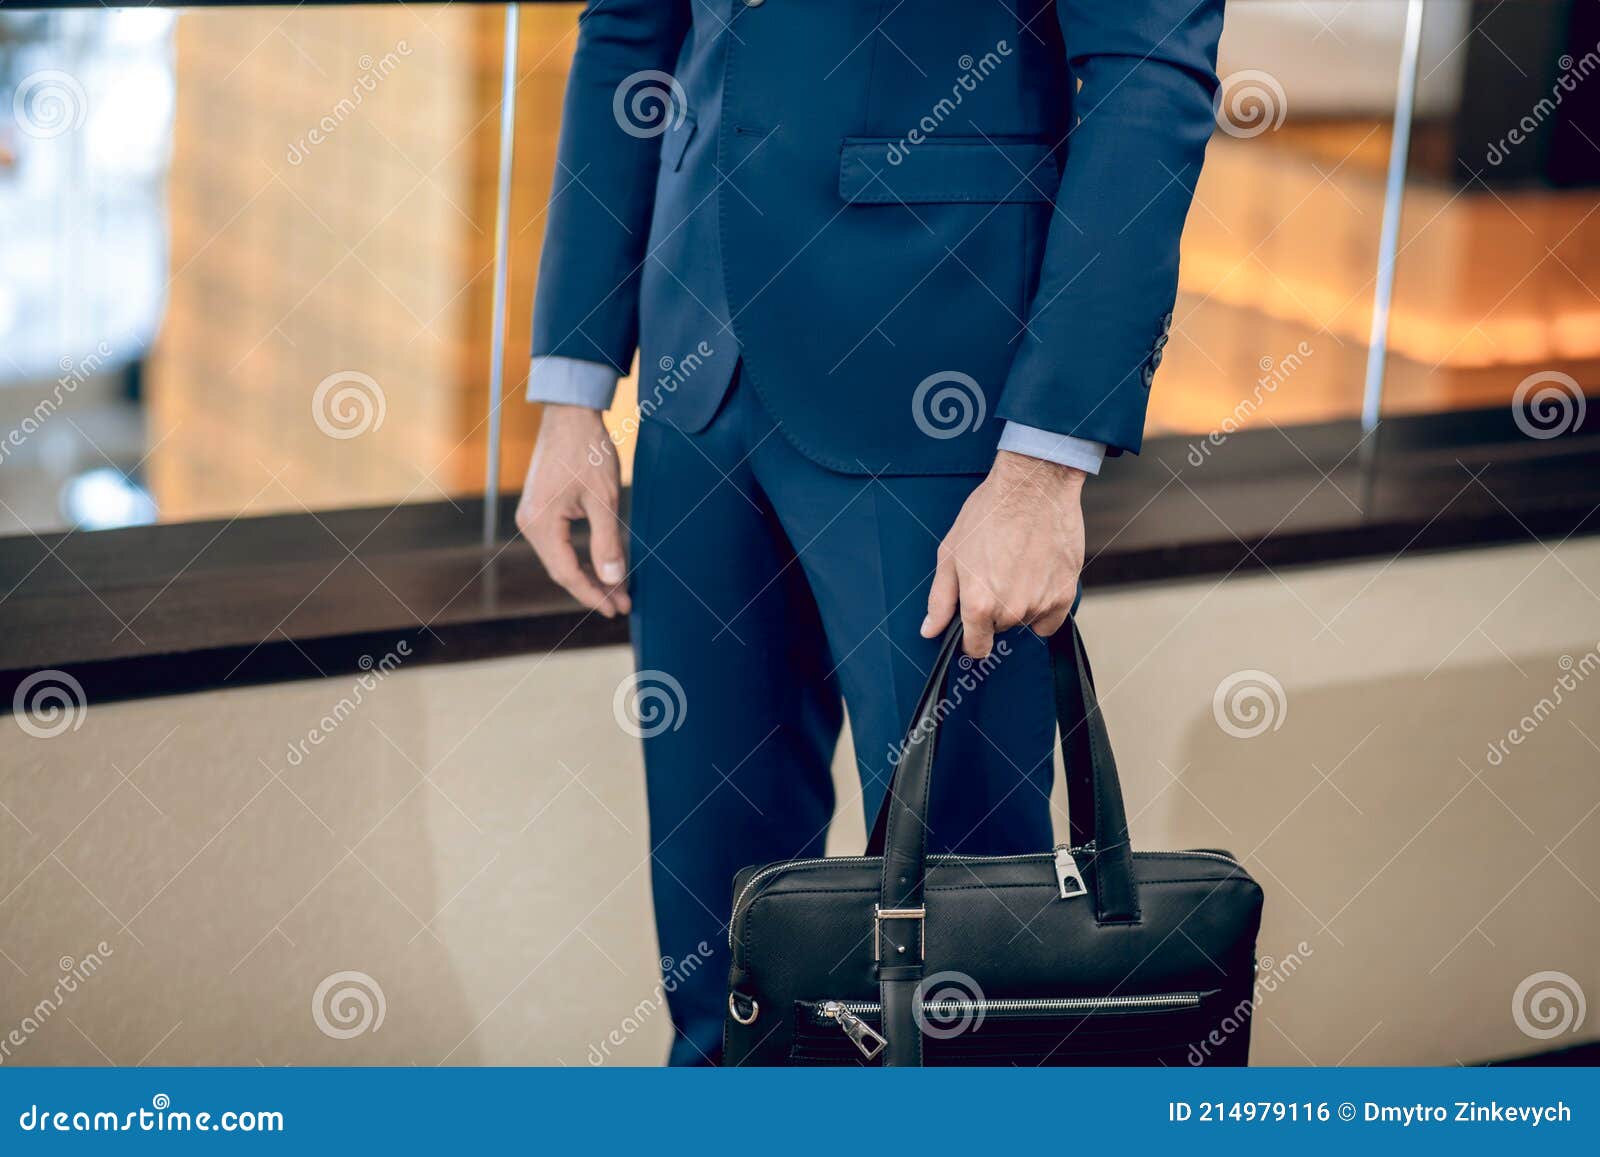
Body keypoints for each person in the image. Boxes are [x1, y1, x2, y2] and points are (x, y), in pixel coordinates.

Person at [516, 0, 1224, 1064]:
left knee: (958, 949)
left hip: (943, 389)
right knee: (721, 959)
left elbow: (1148, 77)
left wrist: (1041, 466)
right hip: (694, 386)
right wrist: (574, 392)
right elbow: (627, 28)